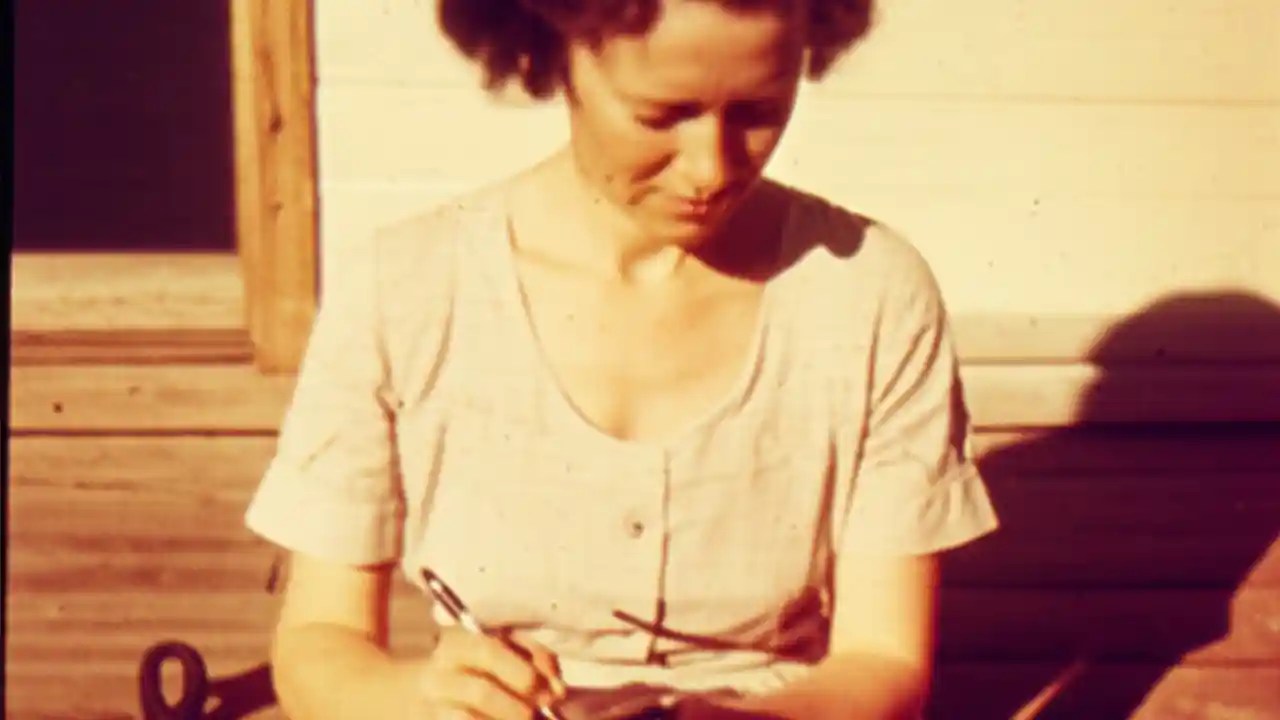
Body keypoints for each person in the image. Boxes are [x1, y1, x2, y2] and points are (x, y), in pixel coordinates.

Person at [243, 0, 999, 718]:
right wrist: (418, 703)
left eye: (758, 112)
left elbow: (884, 661)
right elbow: (318, 646)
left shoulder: (870, 293)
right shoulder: (403, 287)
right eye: (660, 115)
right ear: (553, 56)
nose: (709, 169)